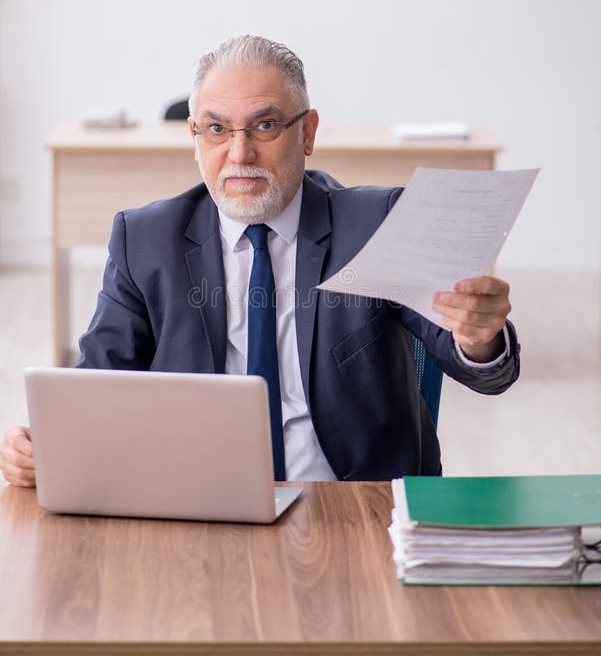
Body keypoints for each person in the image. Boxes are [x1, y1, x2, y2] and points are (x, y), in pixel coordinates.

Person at [0, 36, 518, 487]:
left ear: (308, 132)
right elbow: (98, 386)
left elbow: (483, 369)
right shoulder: (144, 239)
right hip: (197, 502)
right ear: (195, 138)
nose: (240, 152)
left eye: (265, 125)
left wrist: (478, 338)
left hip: (354, 509)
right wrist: (43, 447)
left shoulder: (378, 222)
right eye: (217, 129)